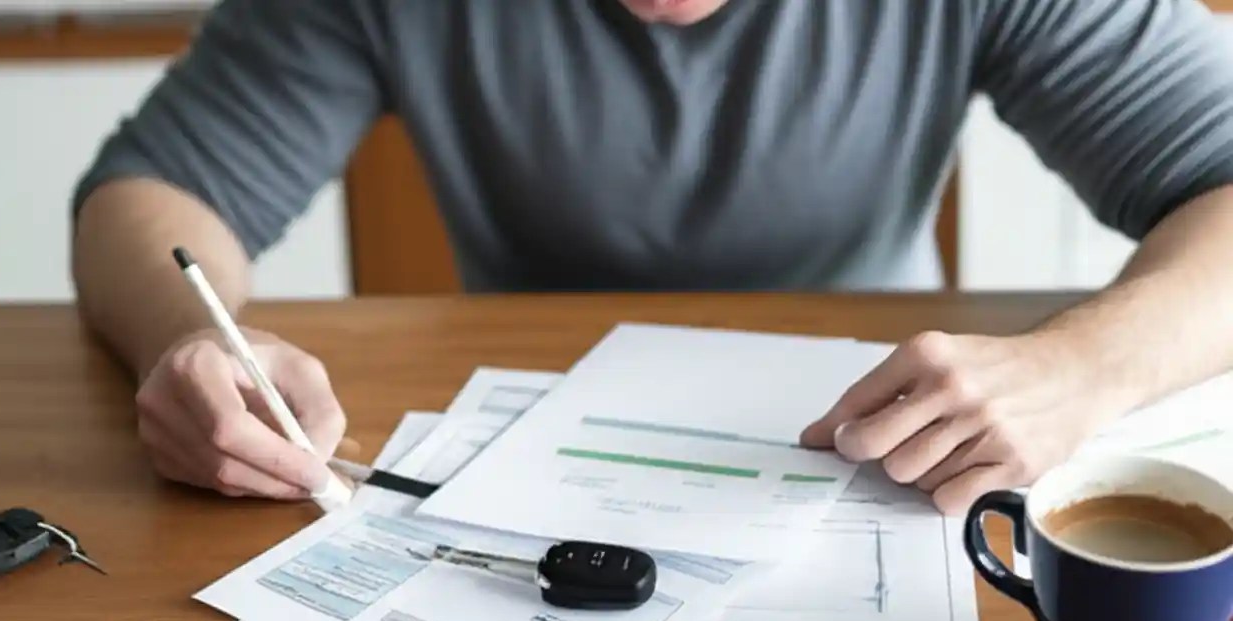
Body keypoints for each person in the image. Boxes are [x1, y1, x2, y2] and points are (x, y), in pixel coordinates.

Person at [69, 0, 1233, 514]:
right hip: (522, 457)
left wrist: (1084, 363)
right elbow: (155, 192)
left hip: (880, 465)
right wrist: (189, 336)